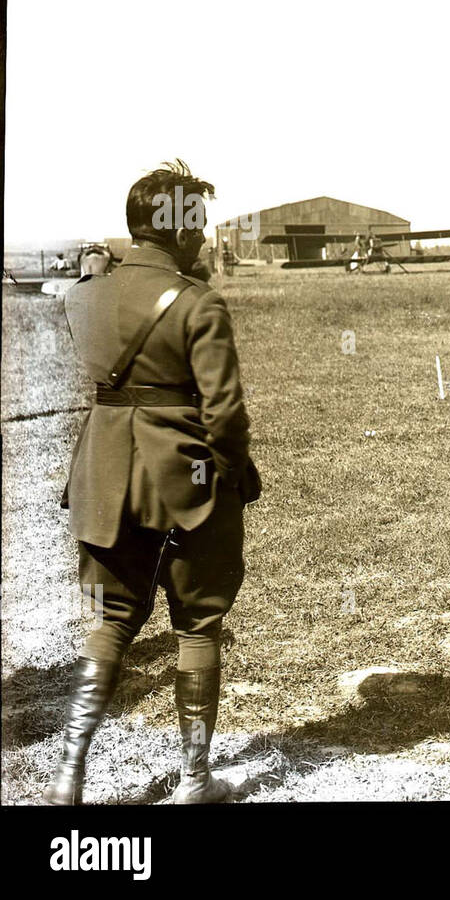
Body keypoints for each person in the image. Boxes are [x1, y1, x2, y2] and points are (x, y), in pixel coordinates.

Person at [48, 160, 260, 805]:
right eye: (197, 222)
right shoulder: (199, 301)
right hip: (188, 480)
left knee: (107, 620)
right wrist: (239, 477)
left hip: (104, 475)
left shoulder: (79, 296)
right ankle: (196, 782)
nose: (203, 236)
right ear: (177, 227)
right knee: (197, 624)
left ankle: (68, 779)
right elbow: (223, 414)